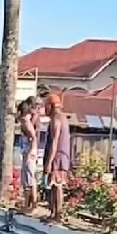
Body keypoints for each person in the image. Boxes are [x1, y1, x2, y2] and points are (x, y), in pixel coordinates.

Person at [42, 93, 71, 223]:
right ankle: (53, 212)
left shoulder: (56, 119)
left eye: (46, 106)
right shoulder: (63, 118)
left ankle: (58, 214)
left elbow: (54, 142)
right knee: (53, 185)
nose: (45, 109)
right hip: (62, 156)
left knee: (57, 185)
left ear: (51, 106)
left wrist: (48, 162)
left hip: (57, 157)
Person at [17, 96, 40, 212]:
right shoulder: (26, 122)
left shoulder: (26, 123)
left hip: (29, 153)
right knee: (28, 179)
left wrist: (31, 152)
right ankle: (29, 204)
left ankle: (30, 205)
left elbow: (33, 138)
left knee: (29, 180)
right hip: (27, 152)